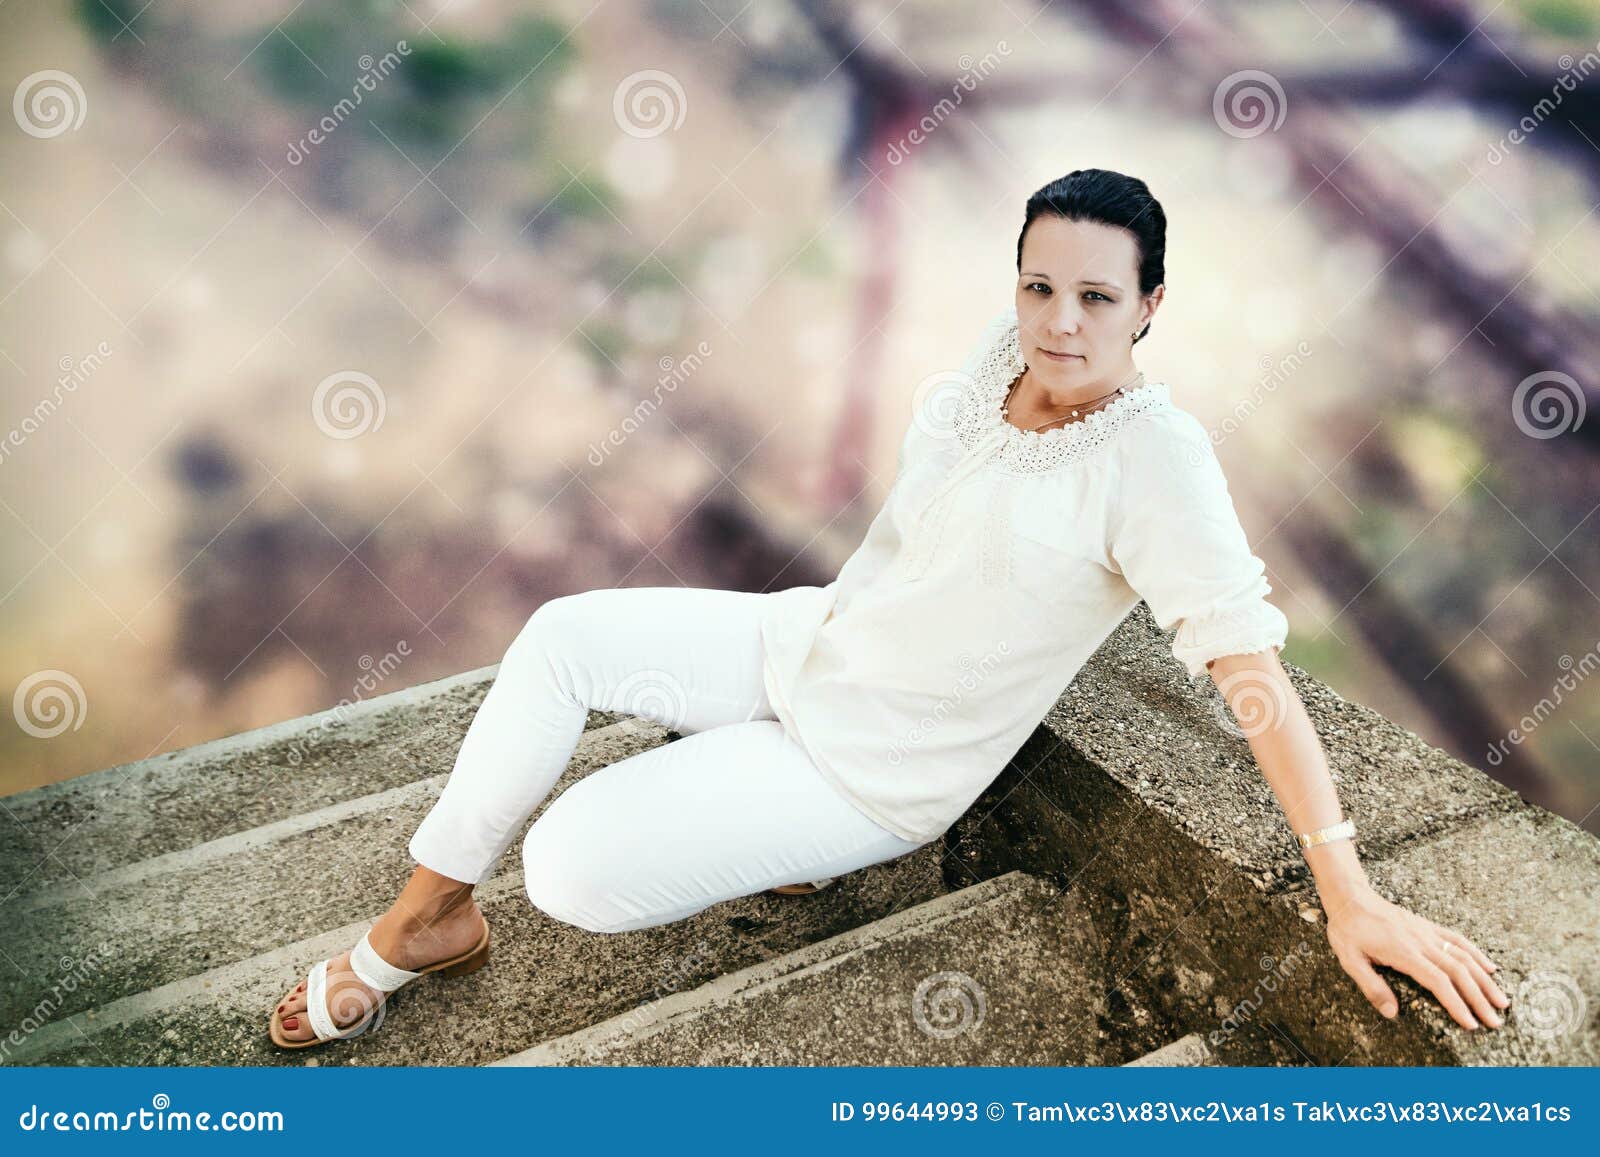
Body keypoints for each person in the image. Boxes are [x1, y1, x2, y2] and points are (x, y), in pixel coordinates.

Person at [269, 169, 1509, 1049]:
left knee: (567, 865)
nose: (1058, 322)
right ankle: (421, 922)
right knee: (559, 638)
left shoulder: (1157, 465)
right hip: (807, 639)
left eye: (1094, 296)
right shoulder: (999, 356)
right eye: (1037, 287)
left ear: (1150, 306)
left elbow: (1249, 676)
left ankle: (767, 831)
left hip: (873, 766)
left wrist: (1345, 889)